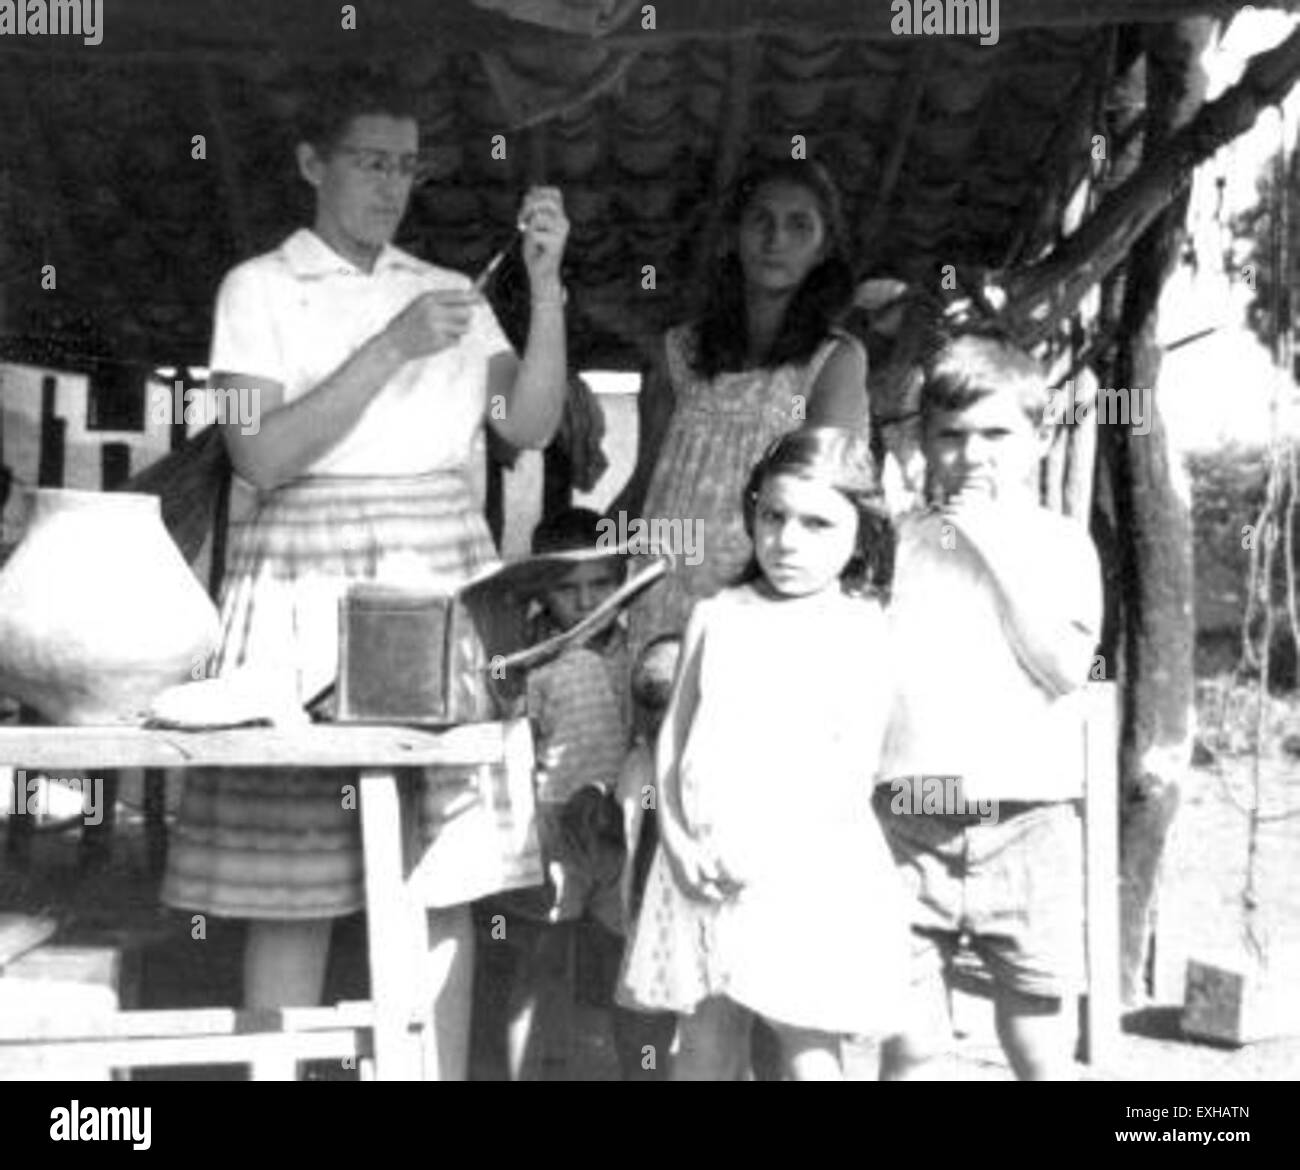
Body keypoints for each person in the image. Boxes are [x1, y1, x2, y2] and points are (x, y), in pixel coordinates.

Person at [160, 69, 570, 1080]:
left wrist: (547, 286)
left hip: (435, 575)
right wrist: (388, 349)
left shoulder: (447, 291)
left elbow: (529, 422)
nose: (391, 185)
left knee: (440, 875)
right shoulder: (259, 287)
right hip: (304, 576)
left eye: (404, 165)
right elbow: (259, 457)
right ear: (312, 163)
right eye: (368, 161)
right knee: (293, 880)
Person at [618, 426, 910, 1080]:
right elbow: (673, 739)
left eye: (817, 523)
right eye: (773, 516)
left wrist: (764, 854)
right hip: (701, 863)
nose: (787, 540)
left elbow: (850, 771)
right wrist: (677, 840)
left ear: (862, 531)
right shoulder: (717, 615)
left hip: (799, 870)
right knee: (703, 1034)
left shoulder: (858, 628)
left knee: (805, 1043)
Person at [874, 332, 1103, 1081]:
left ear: (1040, 440)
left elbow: (1066, 668)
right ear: (924, 445)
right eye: (953, 437)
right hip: (909, 816)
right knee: (907, 1042)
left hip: (1027, 819)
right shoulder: (897, 545)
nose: (975, 456)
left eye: (998, 435)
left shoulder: (1063, 546)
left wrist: (991, 547)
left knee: (1035, 1037)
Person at [611, 158, 869, 658]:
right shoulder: (680, 354)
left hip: (763, 602)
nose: (776, 240)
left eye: (799, 225)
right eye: (761, 221)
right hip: (661, 590)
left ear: (824, 248)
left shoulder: (833, 362)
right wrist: (588, 550)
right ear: (735, 235)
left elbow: (824, 499)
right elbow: (646, 483)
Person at [492, 507, 630, 1079]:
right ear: (542, 592)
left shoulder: (635, 648)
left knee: (610, 964)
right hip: (551, 828)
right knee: (539, 964)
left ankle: (601, 1065)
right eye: (567, 588)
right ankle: (527, 1069)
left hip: (620, 824)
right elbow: (510, 744)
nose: (585, 600)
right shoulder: (531, 660)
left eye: (601, 584)